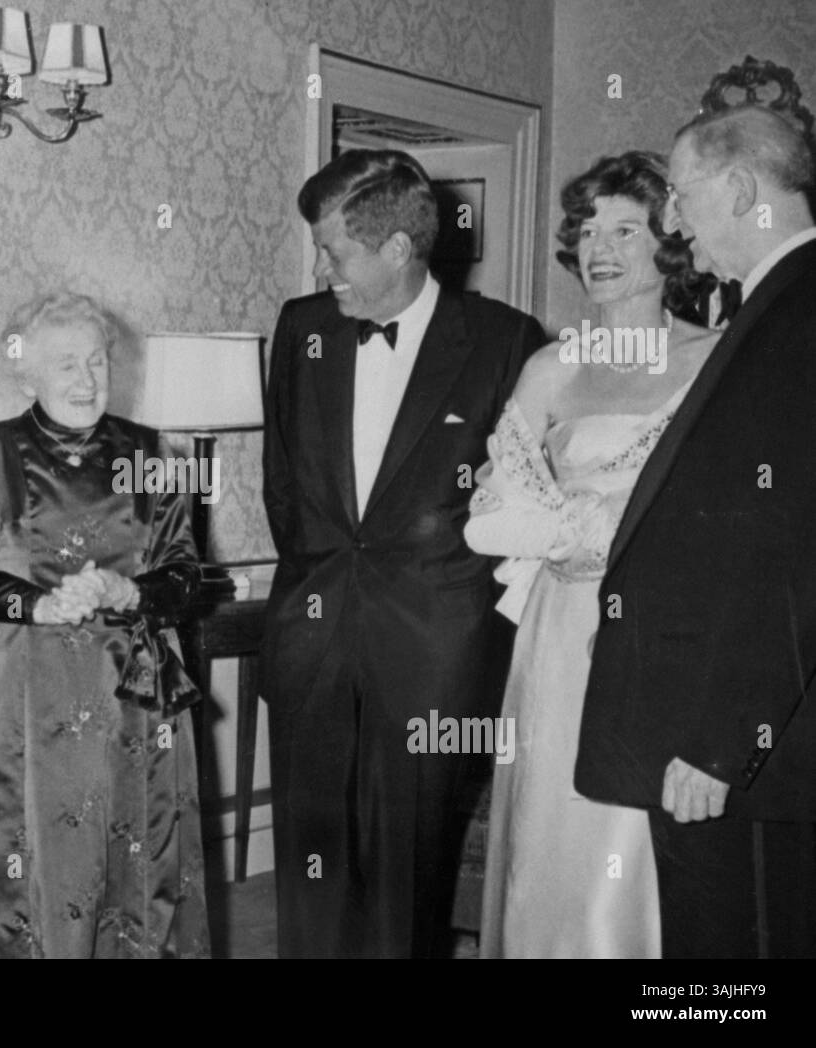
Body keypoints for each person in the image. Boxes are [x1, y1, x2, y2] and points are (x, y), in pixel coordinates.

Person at [261, 149, 545, 958]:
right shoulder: (301, 328)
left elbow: (513, 504)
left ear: (396, 250)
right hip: (314, 637)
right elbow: (284, 484)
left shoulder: (503, 340)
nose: (324, 270)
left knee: (407, 872)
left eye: (336, 252)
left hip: (434, 650)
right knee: (308, 870)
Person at [576, 106, 816, 959]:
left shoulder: (798, 314)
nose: (671, 221)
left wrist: (722, 744)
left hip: (739, 748)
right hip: (725, 728)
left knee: (730, 957)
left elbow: (791, 550)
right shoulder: (773, 304)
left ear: (741, 188)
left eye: (679, 195)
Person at [466, 152, 717, 958]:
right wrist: (567, 533)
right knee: (551, 823)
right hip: (558, 627)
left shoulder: (712, 359)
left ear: (669, 244)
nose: (599, 248)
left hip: (661, 627)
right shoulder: (552, 365)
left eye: (625, 229)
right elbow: (492, 499)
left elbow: (724, 513)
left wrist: (608, 528)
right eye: (586, 229)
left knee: (634, 830)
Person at [0, 292, 208, 959]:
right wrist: (38, 603)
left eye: (97, 362)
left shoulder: (154, 454)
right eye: (66, 365)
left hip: (131, 699)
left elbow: (187, 578)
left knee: (134, 871)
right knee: (27, 871)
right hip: (26, 700)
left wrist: (128, 589)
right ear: (24, 371)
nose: (87, 380)